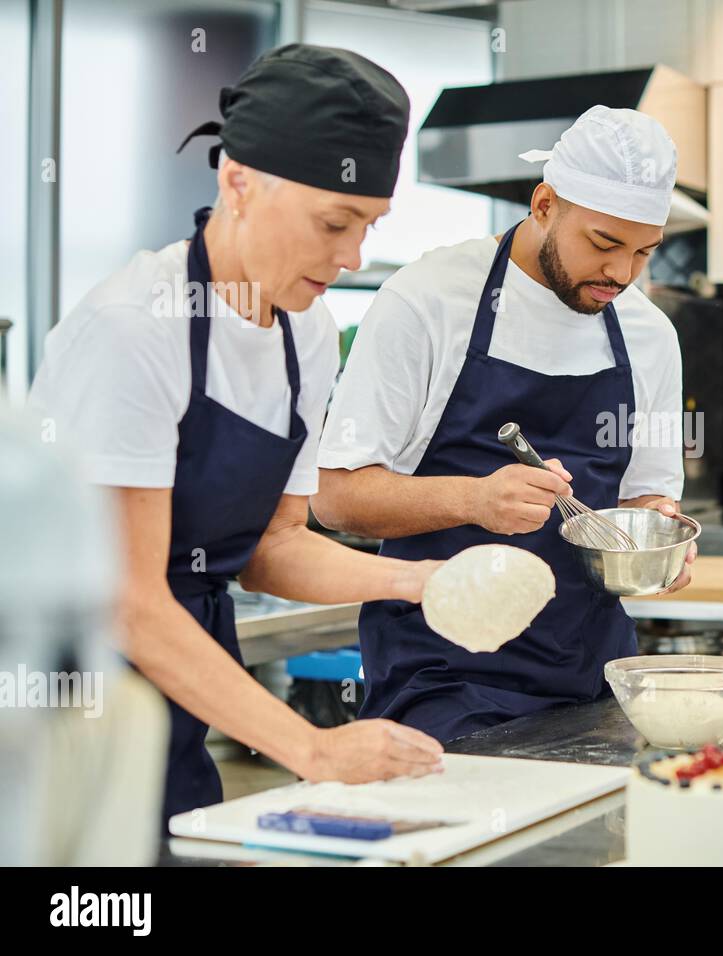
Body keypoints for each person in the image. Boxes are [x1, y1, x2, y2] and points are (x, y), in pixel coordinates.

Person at [25, 45, 445, 832]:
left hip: (184, 694)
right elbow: (128, 601)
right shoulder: (135, 329)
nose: (351, 258)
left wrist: (424, 583)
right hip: (59, 708)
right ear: (238, 181)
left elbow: (271, 545)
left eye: (369, 226)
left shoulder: (309, 334)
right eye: (333, 223)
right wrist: (314, 750)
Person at [311, 106, 693, 743]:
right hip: (442, 674)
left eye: (643, 252)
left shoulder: (651, 335)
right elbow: (335, 497)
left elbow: (646, 495)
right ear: (544, 204)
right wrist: (474, 498)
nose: (621, 275)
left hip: (592, 669)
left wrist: (663, 535)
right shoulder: (428, 300)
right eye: (603, 245)